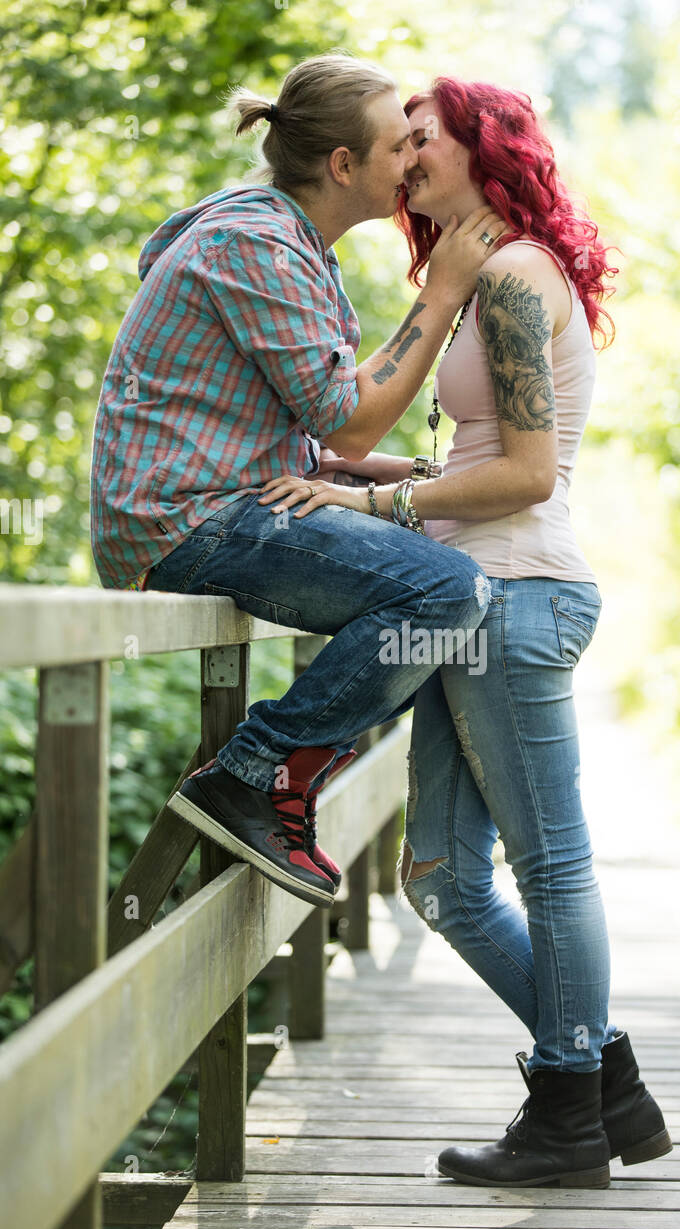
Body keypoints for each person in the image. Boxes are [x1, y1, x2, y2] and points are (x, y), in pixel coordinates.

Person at [268, 76, 672, 1189]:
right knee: (441, 878)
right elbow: (473, 462)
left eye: (421, 138)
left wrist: (368, 507)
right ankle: (604, 1083)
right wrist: (365, 469)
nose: (402, 156)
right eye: (398, 141)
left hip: (515, 599)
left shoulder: (504, 275)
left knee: (550, 866)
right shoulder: (484, 273)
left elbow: (530, 477)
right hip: (470, 603)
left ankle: (566, 1114)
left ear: (479, 149)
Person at [89, 54, 509, 908]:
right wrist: (446, 289)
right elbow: (347, 419)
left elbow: (284, 430)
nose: (415, 163)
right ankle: (253, 775)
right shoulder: (257, 244)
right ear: (344, 166)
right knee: (447, 594)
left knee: (433, 544)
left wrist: (413, 476)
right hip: (182, 521)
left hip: (220, 498)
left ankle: (288, 780)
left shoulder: (289, 242)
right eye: (400, 147)